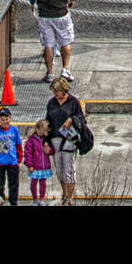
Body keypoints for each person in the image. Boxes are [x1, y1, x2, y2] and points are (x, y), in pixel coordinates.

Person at [30, 0, 77, 83]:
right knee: (65, 42)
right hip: (61, 14)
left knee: (48, 45)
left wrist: (32, 5)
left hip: (44, 15)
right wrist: (71, 0)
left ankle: (50, 73)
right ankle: (65, 69)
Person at [46, 78, 86, 206]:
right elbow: (48, 122)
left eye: (57, 91)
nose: (55, 94)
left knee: (69, 169)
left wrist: (71, 120)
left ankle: (69, 196)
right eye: (54, 92)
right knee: (59, 170)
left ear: (64, 90)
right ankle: (64, 193)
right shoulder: (51, 103)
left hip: (69, 140)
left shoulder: (73, 102)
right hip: (55, 138)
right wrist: (46, 141)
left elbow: (82, 119)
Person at [0, 106, 23, 207]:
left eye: (7, 119)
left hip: (12, 162)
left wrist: (19, 159)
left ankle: (13, 203)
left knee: (13, 185)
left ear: (10, 118)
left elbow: (18, 145)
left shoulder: (14, 130)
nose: (5, 122)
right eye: (2, 120)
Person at [24, 120, 55, 207]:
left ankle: (41, 199)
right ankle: (35, 199)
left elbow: (51, 150)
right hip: (34, 166)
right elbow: (28, 154)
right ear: (37, 129)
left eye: (44, 131)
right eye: (41, 131)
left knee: (43, 183)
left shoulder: (45, 140)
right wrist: (29, 165)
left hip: (44, 166)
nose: (42, 133)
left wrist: (49, 150)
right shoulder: (31, 140)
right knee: (33, 182)